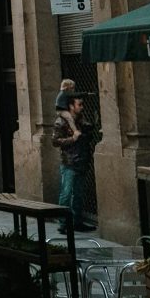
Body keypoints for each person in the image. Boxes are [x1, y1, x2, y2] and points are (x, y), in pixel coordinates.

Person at [52, 92, 98, 232]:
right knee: (66, 193)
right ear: (71, 106)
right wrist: (73, 139)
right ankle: (63, 224)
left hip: (82, 161)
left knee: (78, 194)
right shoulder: (61, 121)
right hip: (69, 163)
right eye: (79, 104)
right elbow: (55, 141)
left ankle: (77, 222)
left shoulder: (80, 120)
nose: (82, 107)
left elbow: (87, 133)